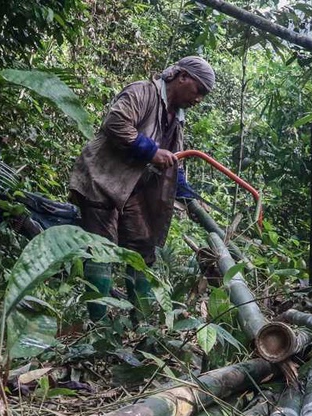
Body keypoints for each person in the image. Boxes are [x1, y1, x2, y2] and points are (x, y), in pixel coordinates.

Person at [69, 55, 214, 320]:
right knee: (101, 250)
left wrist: (189, 196)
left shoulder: (177, 118)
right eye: (199, 90)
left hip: (132, 190)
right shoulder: (142, 92)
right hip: (102, 180)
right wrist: (151, 151)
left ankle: (141, 326)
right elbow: (116, 123)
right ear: (182, 77)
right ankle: (98, 327)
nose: (199, 99)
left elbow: (174, 160)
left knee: (143, 249)